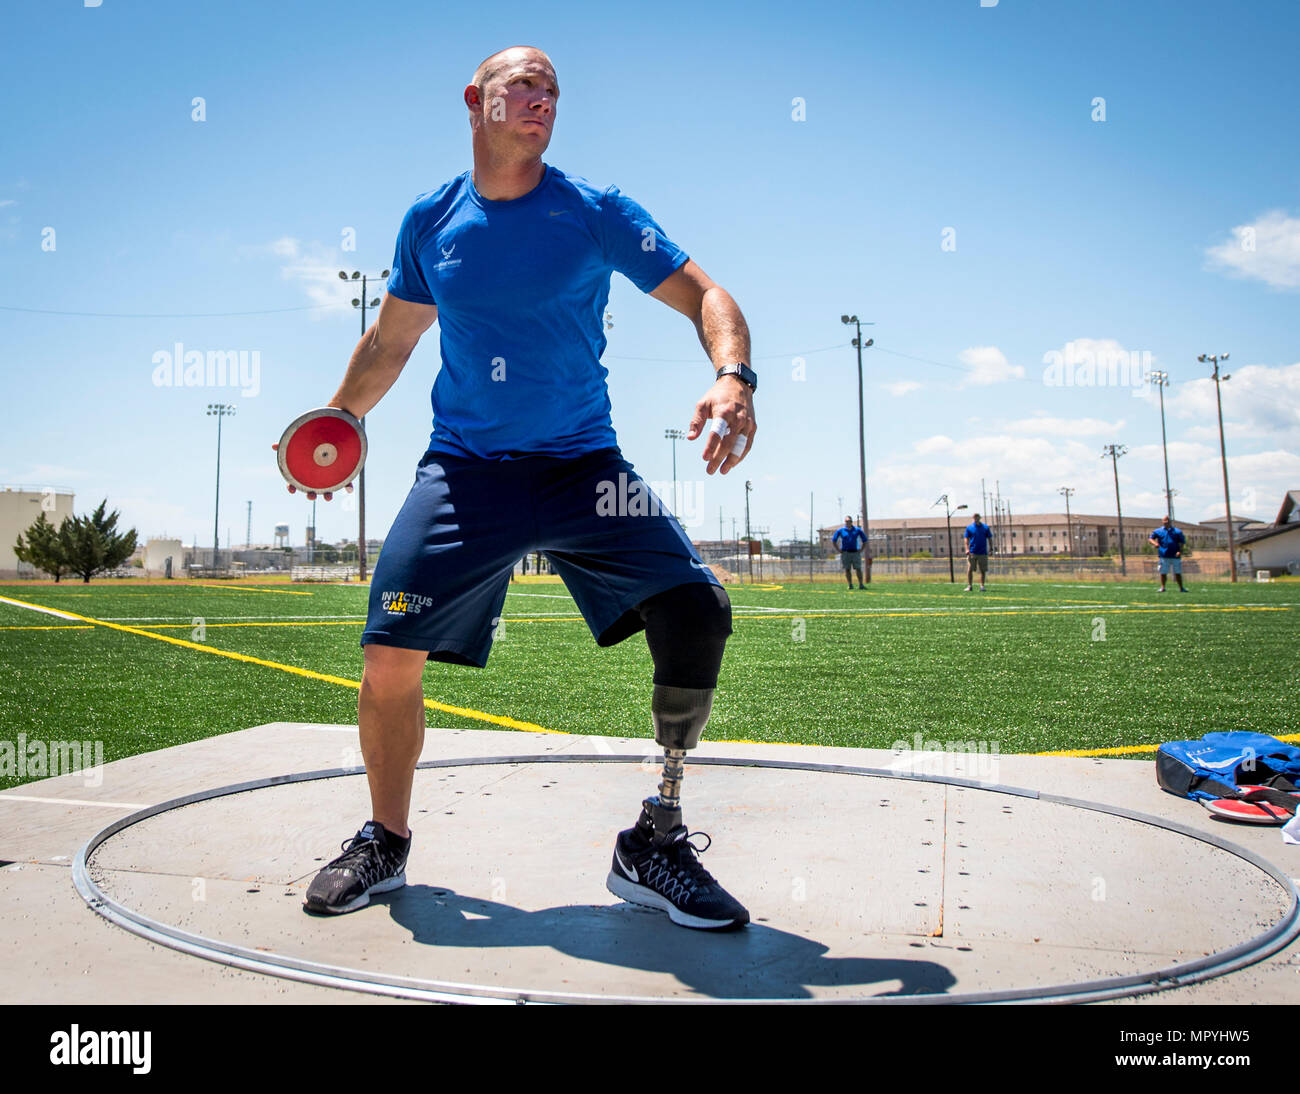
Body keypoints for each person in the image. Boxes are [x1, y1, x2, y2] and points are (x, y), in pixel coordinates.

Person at [296, 46, 757, 931]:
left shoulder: (594, 211)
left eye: (554, 89)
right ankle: (384, 841)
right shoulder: (431, 222)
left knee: (697, 609)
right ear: (476, 100)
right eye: (525, 84)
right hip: (466, 474)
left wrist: (734, 375)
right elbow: (391, 344)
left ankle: (654, 840)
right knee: (389, 651)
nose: (543, 98)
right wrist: (337, 423)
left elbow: (709, 294)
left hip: (584, 468)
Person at [1149, 515, 1186, 592]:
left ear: (1170, 522)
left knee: (1177, 572)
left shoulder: (1177, 531)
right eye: (1164, 522)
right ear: (1162, 522)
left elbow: (1182, 542)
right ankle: (1163, 587)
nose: (1166, 523)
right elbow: (1150, 539)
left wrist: (1179, 551)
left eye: (1167, 521)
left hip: (1175, 556)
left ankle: (1181, 588)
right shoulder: (1158, 531)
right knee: (1163, 572)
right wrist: (1155, 543)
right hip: (1164, 555)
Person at [832, 516, 867, 589]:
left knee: (858, 568)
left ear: (852, 522)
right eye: (846, 521)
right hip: (845, 553)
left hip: (855, 553)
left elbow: (865, 540)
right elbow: (834, 540)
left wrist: (861, 550)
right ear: (845, 522)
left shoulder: (857, 530)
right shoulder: (841, 530)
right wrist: (839, 550)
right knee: (847, 569)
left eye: (849, 521)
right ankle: (850, 585)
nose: (848, 522)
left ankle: (861, 584)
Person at [964, 513, 992, 591]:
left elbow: (989, 538)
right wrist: (967, 549)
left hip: (983, 552)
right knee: (970, 569)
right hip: (972, 552)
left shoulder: (985, 527)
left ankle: (982, 586)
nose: (976, 518)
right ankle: (969, 586)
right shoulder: (969, 528)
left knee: (983, 570)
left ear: (980, 518)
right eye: (974, 517)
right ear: (973, 518)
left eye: (977, 517)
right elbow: (966, 538)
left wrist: (991, 549)